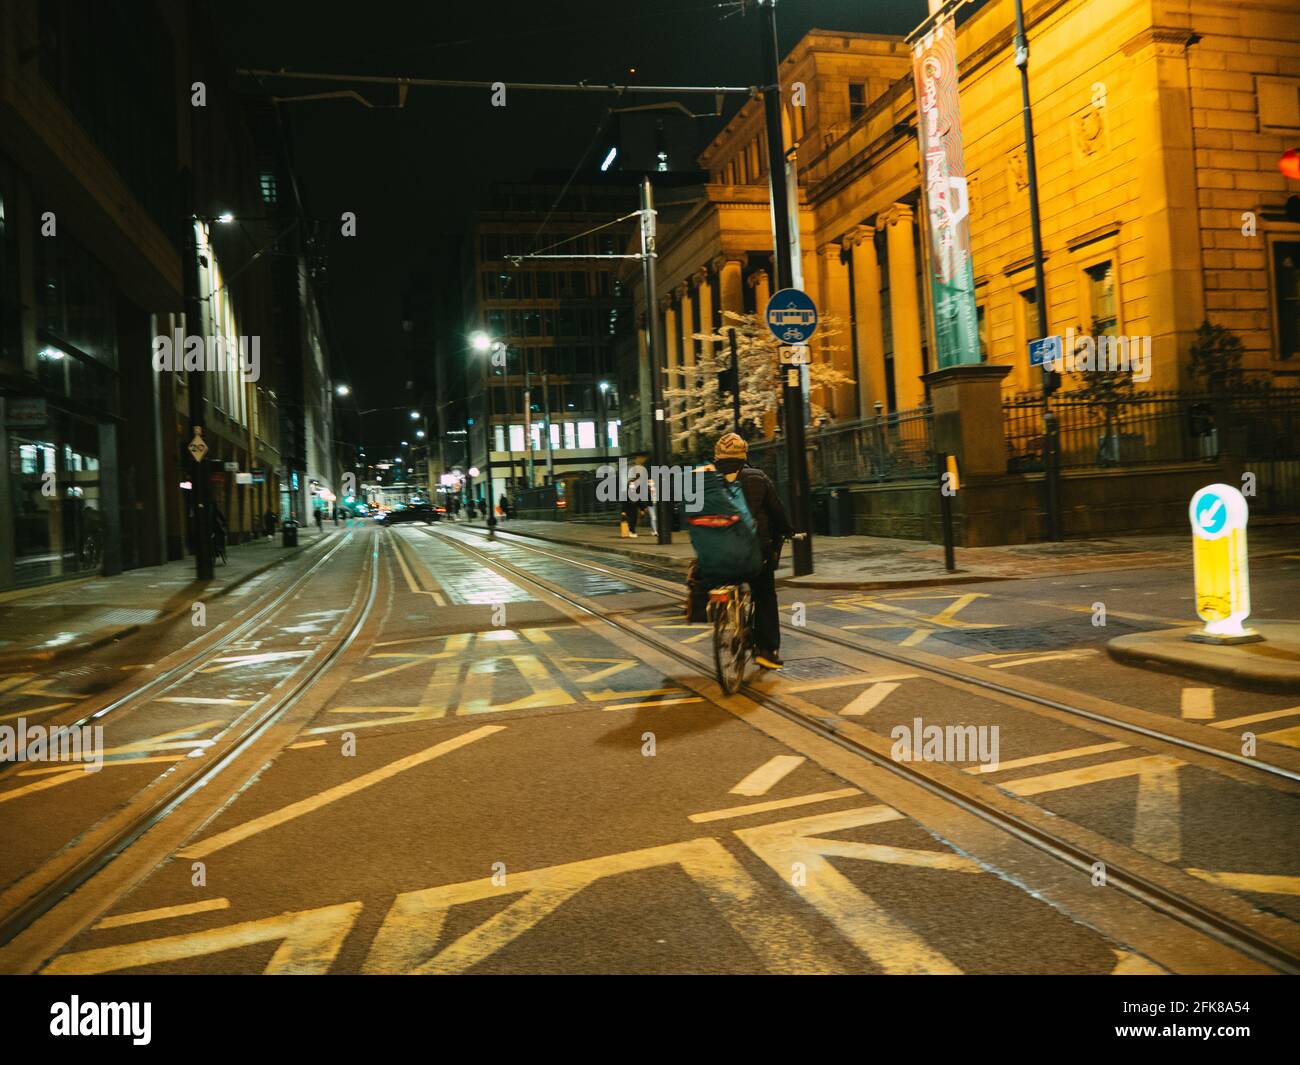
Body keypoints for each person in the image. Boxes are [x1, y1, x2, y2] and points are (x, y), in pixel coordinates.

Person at [686, 432, 793, 670]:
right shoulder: (758, 477)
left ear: (717, 456)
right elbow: (778, 513)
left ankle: (713, 609)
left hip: (715, 555)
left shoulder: (704, 480)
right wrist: (788, 530)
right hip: (754, 553)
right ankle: (766, 650)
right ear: (744, 455)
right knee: (764, 594)